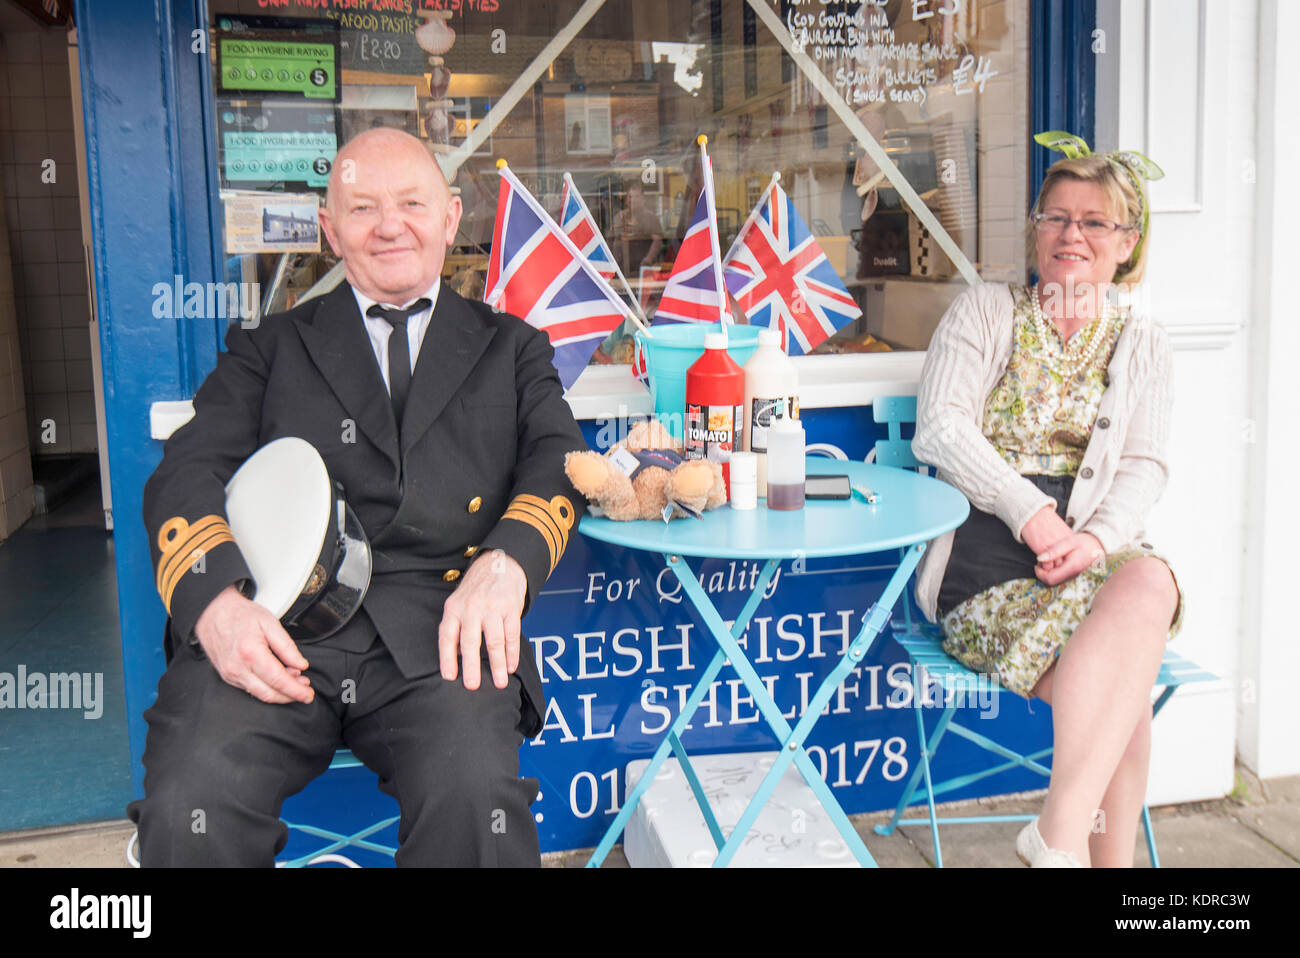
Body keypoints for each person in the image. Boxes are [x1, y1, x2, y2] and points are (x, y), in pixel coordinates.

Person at [128, 128, 586, 867]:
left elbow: (559, 461)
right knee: (188, 811)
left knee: (475, 808)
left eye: (411, 202)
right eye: (363, 207)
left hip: (440, 638)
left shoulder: (512, 347)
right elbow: (184, 472)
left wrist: (507, 564)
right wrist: (217, 606)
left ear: (450, 217)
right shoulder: (267, 347)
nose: (389, 224)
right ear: (330, 231)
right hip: (279, 634)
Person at [911, 136, 1180, 868]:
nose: (1071, 235)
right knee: (1125, 703)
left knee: (1149, 578)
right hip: (987, 556)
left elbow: (1147, 466)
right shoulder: (985, 311)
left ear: (1126, 244)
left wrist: (1093, 540)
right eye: (1055, 217)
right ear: (1034, 231)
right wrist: (1027, 510)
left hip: (1091, 551)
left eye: (1094, 222)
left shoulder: (1142, 340)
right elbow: (940, 426)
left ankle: (1056, 841)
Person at [612, 179, 664, 277]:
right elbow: (616, 241)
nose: (633, 200)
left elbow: (657, 241)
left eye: (636, 197)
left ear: (643, 199)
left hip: (644, 267)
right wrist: (615, 264)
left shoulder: (651, 217)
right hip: (623, 268)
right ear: (626, 199)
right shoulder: (619, 217)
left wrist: (648, 259)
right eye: (630, 196)